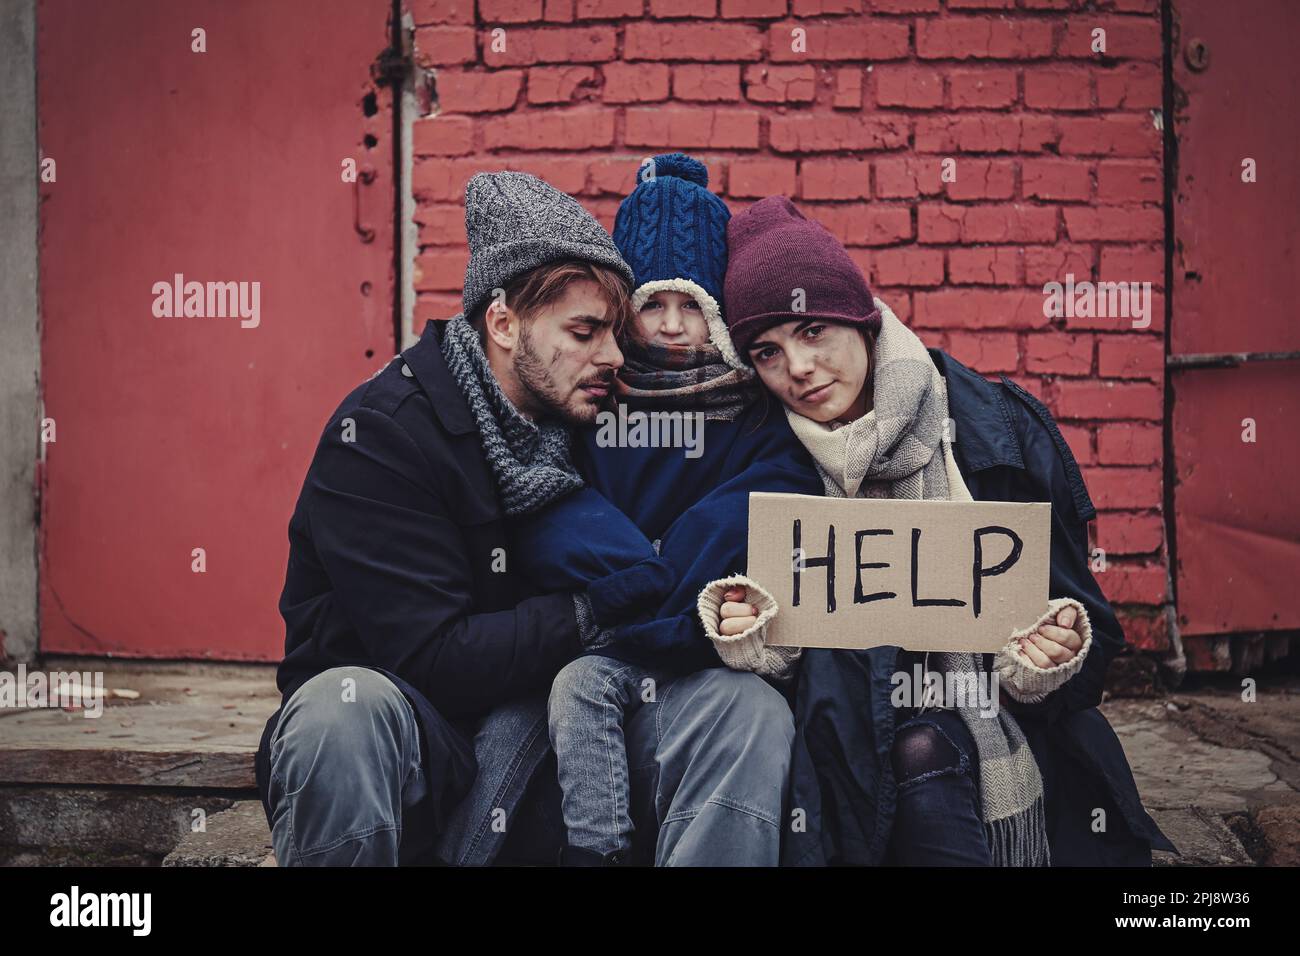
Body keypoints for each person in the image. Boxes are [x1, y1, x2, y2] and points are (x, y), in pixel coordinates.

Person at [254, 172, 795, 866]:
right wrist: (593, 611)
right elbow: (431, 659)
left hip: (576, 747)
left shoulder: (581, 415)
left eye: (614, 330)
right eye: (585, 331)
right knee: (338, 711)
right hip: (423, 757)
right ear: (503, 324)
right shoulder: (385, 437)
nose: (613, 355)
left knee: (742, 710)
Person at [695, 196, 1175, 866]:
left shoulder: (994, 429)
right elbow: (781, 683)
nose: (797, 368)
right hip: (853, 752)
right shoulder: (766, 464)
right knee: (915, 744)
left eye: (812, 332)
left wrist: (1047, 655)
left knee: (925, 746)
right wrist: (756, 637)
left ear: (859, 319)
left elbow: (1090, 639)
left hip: (1005, 731)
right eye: (767, 351)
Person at [506, 154, 822, 864]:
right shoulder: (595, 403)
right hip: (614, 635)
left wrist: (673, 567)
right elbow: (555, 501)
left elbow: (765, 500)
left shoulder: (749, 411)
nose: (675, 326)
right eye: (654, 305)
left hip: (708, 636)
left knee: (744, 711)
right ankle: (599, 847)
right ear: (626, 311)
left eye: (694, 307)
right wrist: (631, 572)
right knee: (574, 688)